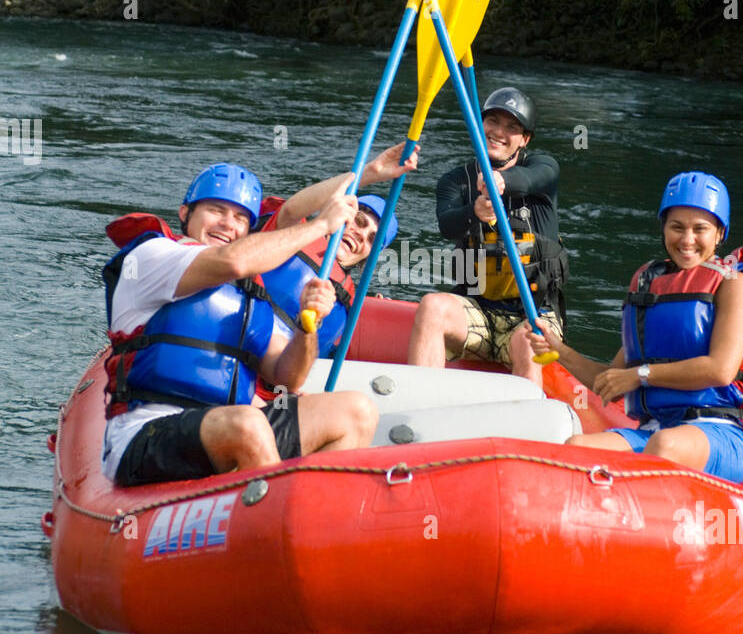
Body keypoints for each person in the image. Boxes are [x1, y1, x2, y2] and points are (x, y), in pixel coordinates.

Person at [101, 163, 378, 487]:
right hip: (148, 431)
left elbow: (287, 376)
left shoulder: (248, 295)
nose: (227, 224)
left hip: (230, 428)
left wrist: (307, 325)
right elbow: (233, 260)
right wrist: (320, 226)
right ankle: (278, 517)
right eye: (216, 210)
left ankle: (314, 517)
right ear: (185, 213)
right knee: (247, 424)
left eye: (240, 218)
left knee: (357, 411)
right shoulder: (154, 256)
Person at [526, 171, 743, 482]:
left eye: (700, 229)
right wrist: (561, 351)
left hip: (720, 432)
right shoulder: (653, 287)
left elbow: (720, 370)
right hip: (654, 429)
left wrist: (639, 375)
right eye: (677, 227)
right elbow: (609, 380)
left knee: (665, 445)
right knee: (577, 446)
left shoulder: (735, 285)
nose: (687, 240)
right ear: (664, 228)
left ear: (719, 233)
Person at [407, 88, 568, 386]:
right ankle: (419, 407)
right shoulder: (455, 180)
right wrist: (475, 212)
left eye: (512, 128)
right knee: (431, 306)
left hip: (532, 314)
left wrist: (500, 181)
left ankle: (524, 425)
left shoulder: (544, 169)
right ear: (479, 125)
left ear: (525, 139)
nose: (499, 132)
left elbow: (532, 178)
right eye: (492, 121)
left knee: (528, 339)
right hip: (476, 312)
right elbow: (447, 226)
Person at [255, 143, 415, 356]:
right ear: (339, 212)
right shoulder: (293, 230)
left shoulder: (349, 301)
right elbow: (293, 208)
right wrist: (368, 174)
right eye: (358, 221)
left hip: (278, 377)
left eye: (372, 239)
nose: (360, 234)